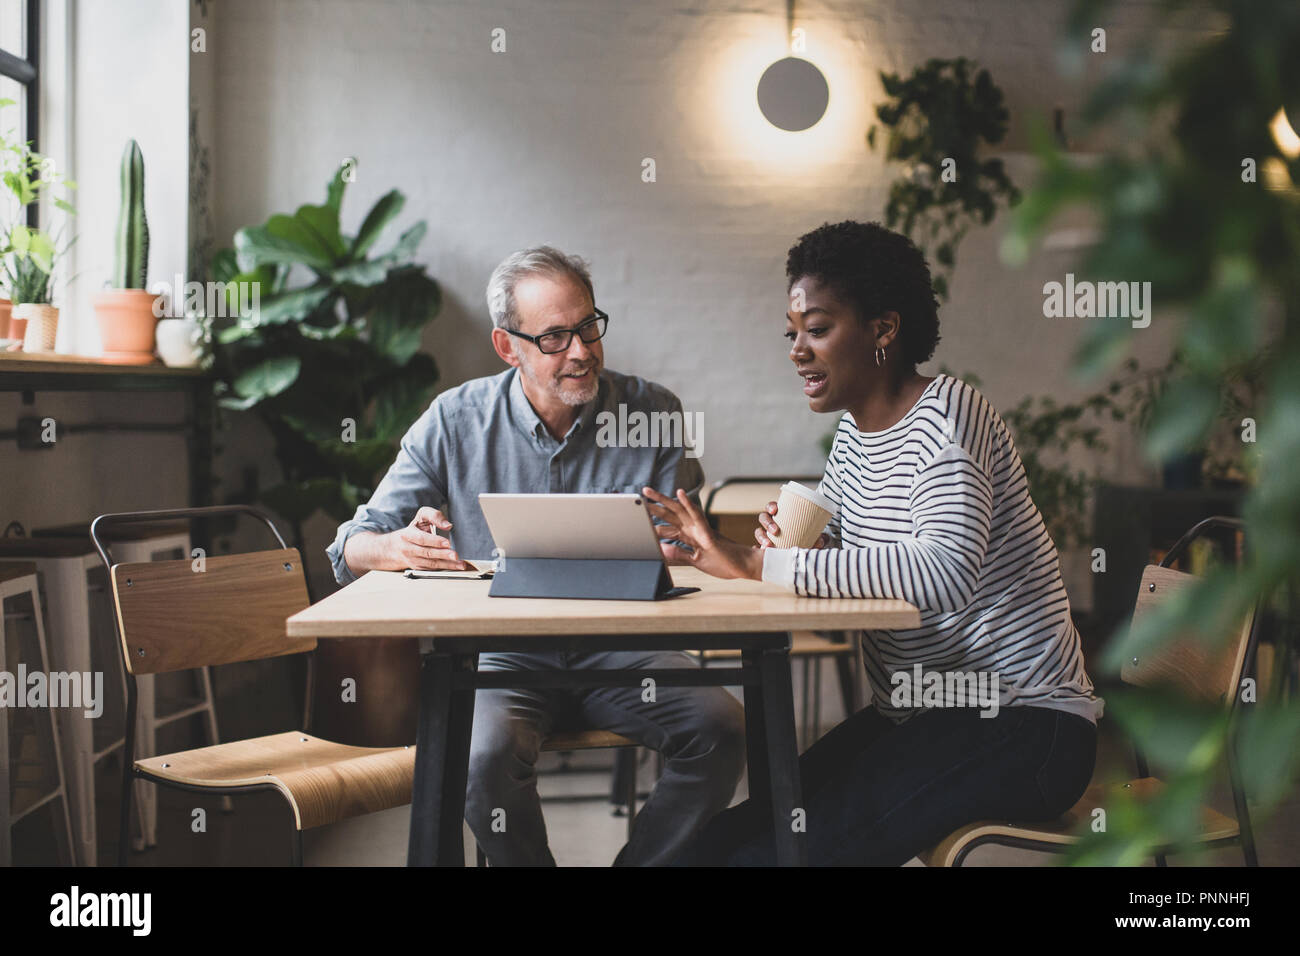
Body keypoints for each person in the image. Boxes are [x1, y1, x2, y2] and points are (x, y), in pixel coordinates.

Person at [644, 220, 1103, 866]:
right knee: (735, 834)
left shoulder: (949, 414)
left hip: (1025, 722)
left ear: (884, 329)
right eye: (792, 333)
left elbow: (942, 572)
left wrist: (756, 562)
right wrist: (803, 549)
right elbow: (854, 563)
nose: (798, 350)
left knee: (793, 849)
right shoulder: (855, 440)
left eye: (819, 328)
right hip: (920, 712)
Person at [327, 246, 745, 866]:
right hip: (502, 653)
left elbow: (687, 545)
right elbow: (347, 548)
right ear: (508, 346)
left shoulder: (652, 411)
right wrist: (395, 545)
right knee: (480, 757)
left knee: (723, 727)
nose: (580, 351)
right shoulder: (454, 419)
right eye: (553, 337)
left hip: (626, 647)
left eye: (587, 328)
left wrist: (681, 546)